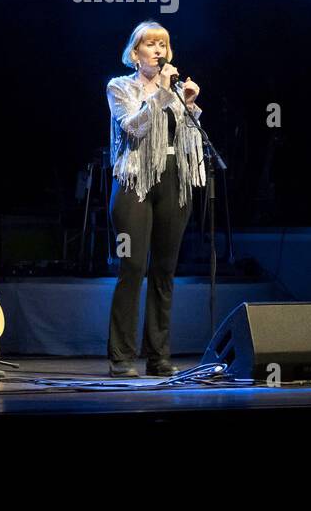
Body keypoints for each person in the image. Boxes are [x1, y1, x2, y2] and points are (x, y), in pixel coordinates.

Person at [105, 21, 205, 377]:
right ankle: (121, 356)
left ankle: (158, 355)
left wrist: (189, 106)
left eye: (163, 44)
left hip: (173, 178)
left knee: (164, 270)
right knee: (132, 267)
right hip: (134, 180)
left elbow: (189, 140)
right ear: (135, 54)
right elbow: (134, 127)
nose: (159, 50)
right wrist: (162, 92)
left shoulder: (174, 92)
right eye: (151, 44)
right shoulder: (120, 87)